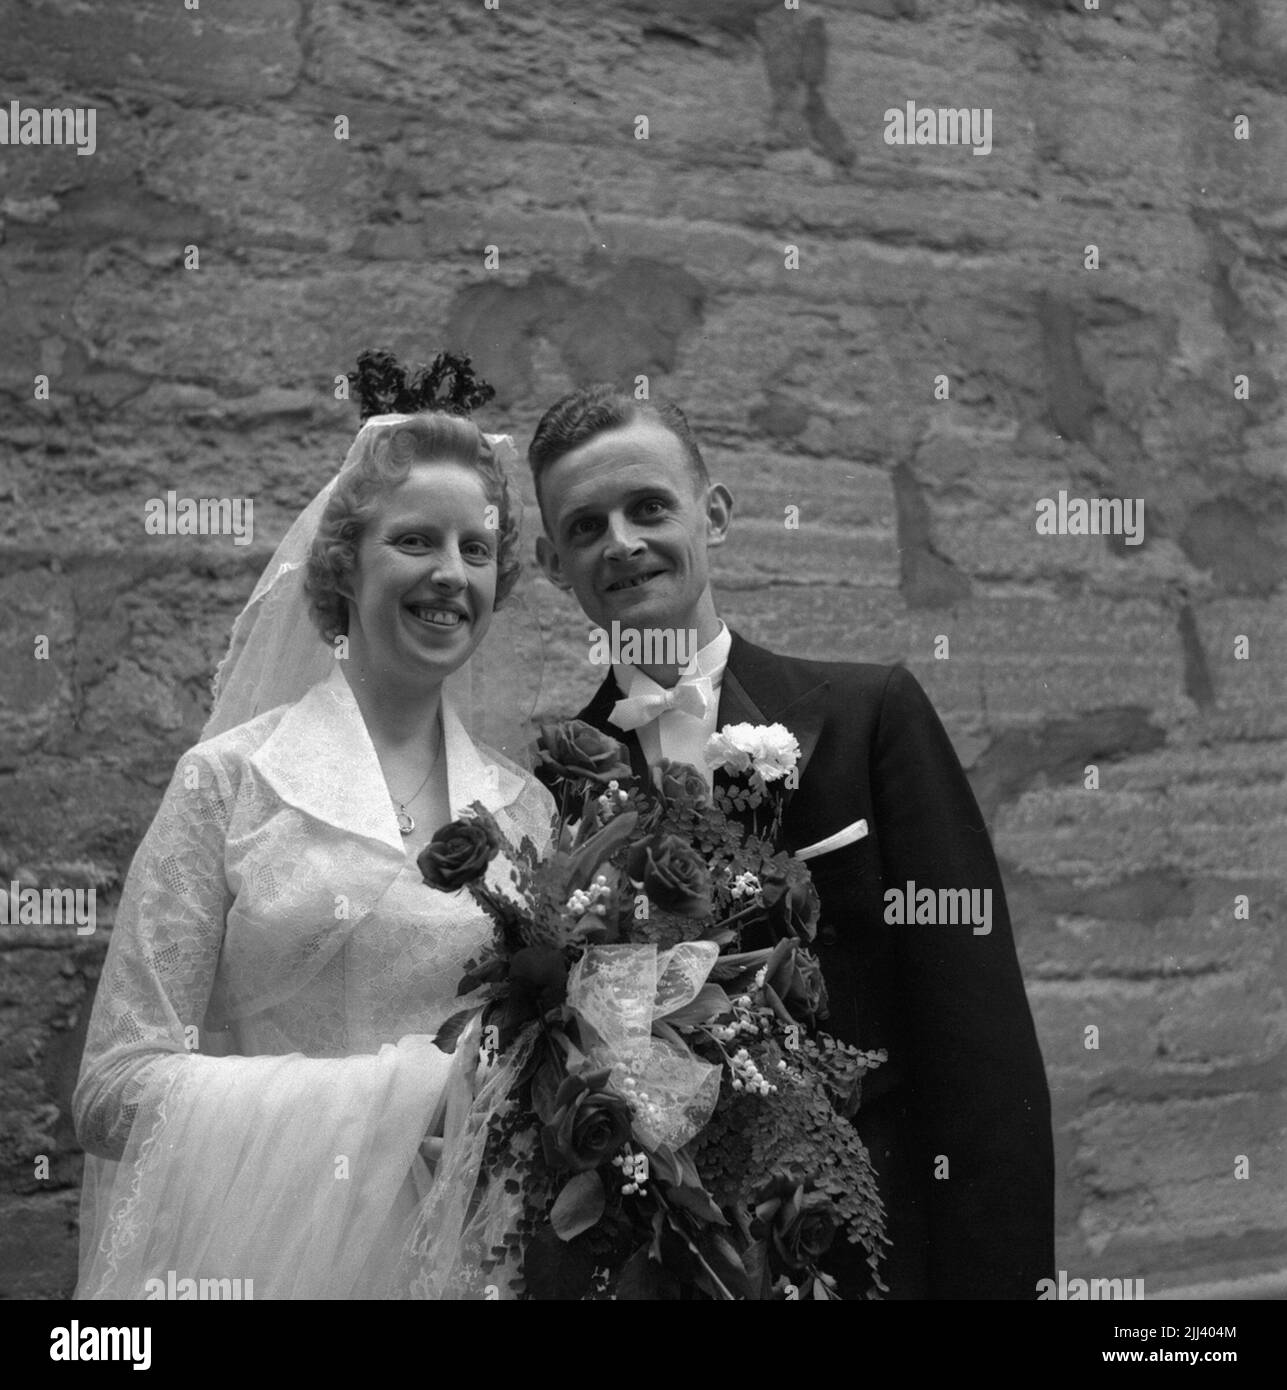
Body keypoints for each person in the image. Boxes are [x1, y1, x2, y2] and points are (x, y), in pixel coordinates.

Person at [528, 385, 1055, 1300]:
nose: (620, 542)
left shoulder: (867, 717)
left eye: (649, 507)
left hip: (872, 1251)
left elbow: (977, 1046)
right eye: (585, 527)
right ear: (551, 562)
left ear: (715, 515)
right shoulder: (552, 791)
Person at [73, 407, 555, 1299]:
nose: (451, 574)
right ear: (345, 563)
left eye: (476, 549)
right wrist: (385, 1118)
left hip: (476, 1266)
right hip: (262, 1265)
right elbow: (112, 1088)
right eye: (414, 540)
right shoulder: (231, 780)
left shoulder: (529, 809)